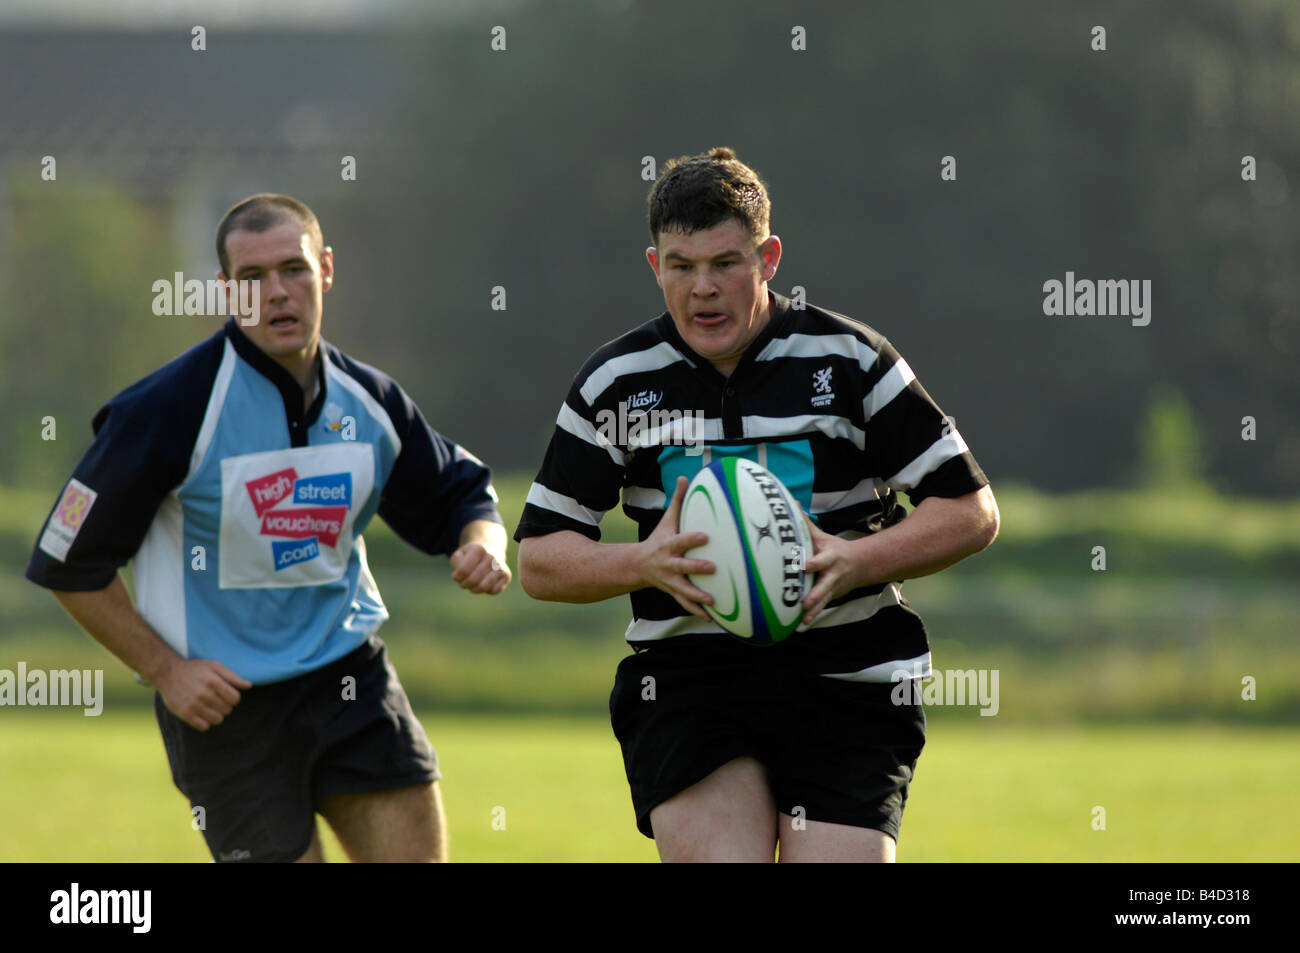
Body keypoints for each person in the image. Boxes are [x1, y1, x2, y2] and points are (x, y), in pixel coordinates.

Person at [515, 148, 999, 862]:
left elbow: (969, 508)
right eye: (681, 266)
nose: (703, 289)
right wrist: (643, 562)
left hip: (849, 676)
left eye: (726, 263)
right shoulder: (617, 383)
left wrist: (855, 560)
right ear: (655, 268)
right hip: (689, 682)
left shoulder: (851, 359)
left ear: (769, 258)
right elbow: (540, 559)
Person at [26, 193, 511, 863]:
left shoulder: (370, 402)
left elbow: (463, 495)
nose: (276, 293)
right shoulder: (166, 409)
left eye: (294, 269)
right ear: (225, 289)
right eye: (252, 279)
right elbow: (64, 560)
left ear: (327, 270)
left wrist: (481, 546)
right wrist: (166, 670)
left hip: (349, 680)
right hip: (226, 708)